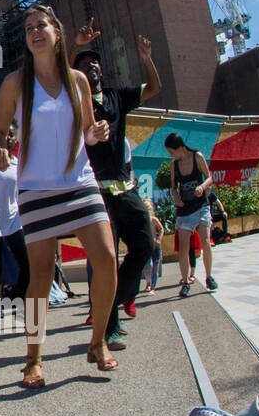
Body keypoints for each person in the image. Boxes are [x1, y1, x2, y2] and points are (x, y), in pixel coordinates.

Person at [0, 5, 119, 388]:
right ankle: (33, 358)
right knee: (41, 276)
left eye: (41, 25)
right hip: (36, 188)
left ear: (57, 33)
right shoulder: (15, 83)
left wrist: (97, 134)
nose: (34, 31)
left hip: (80, 182)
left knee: (108, 258)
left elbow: (87, 130)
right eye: (28, 28)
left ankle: (97, 343)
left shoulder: (78, 80)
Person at [68, 20, 161, 351]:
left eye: (94, 62)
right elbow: (59, 79)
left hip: (125, 188)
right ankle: (110, 331)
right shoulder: (73, 103)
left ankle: (115, 299)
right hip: (93, 191)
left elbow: (152, 88)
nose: (90, 66)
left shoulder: (118, 97)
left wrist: (146, 57)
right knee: (103, 258)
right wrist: (76, 46)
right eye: (83, 64)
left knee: (145, 245)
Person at [0, 119, 29, 334]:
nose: (8, 138)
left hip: (14, 222)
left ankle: (16, 300)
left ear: (15, 139)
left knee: (27, 266)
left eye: (12, 135)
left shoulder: (19, 164)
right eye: (4, 134)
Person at [167, 132, 217, 295]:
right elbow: (173, 187)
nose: (171, 155)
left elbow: (209, 178)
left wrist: (202, 187)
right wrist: (176, 198)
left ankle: (209, 277)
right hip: (185, 209)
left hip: (200, 205)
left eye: (172, 151)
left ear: (180, 148)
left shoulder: (197, 157)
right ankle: (186, 282)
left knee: (205, 241)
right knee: (183, 247)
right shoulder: (174, 165)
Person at [144, 198, 164, 296]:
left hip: (155, 246)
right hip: (147, 247)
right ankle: (148, 283)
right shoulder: (142, 221)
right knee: (148, 265)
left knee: (155, 266)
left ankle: (153, 287)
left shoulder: (153, 220)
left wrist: (159, 239)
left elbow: (161, 229)